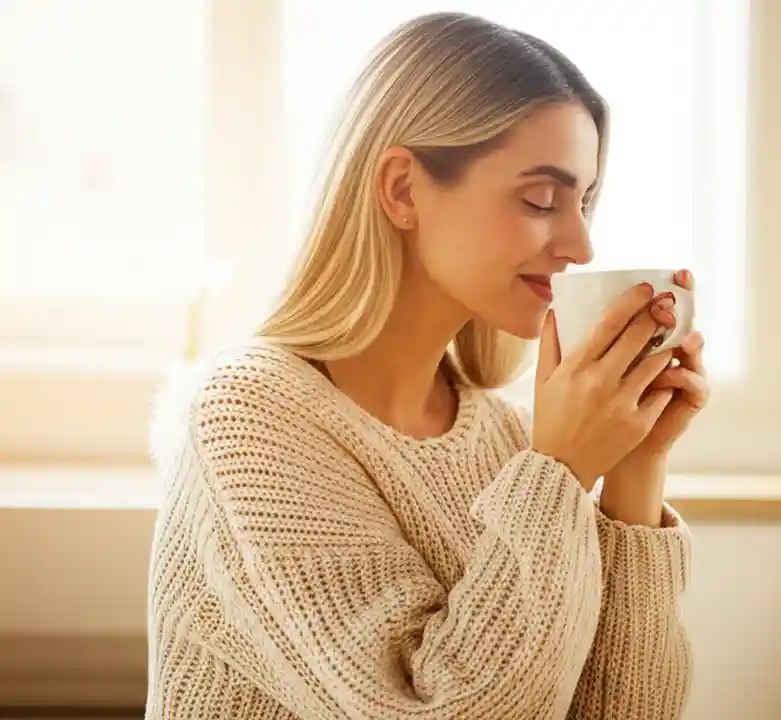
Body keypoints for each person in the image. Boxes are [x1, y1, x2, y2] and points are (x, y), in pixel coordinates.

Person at [145, 12, 708, 719]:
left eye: (585, 202)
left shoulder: (506, 440)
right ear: (404, 190)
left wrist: (633, 469)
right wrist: (559, 472)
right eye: (541, 199)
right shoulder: (248, 416)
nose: (581, 243)